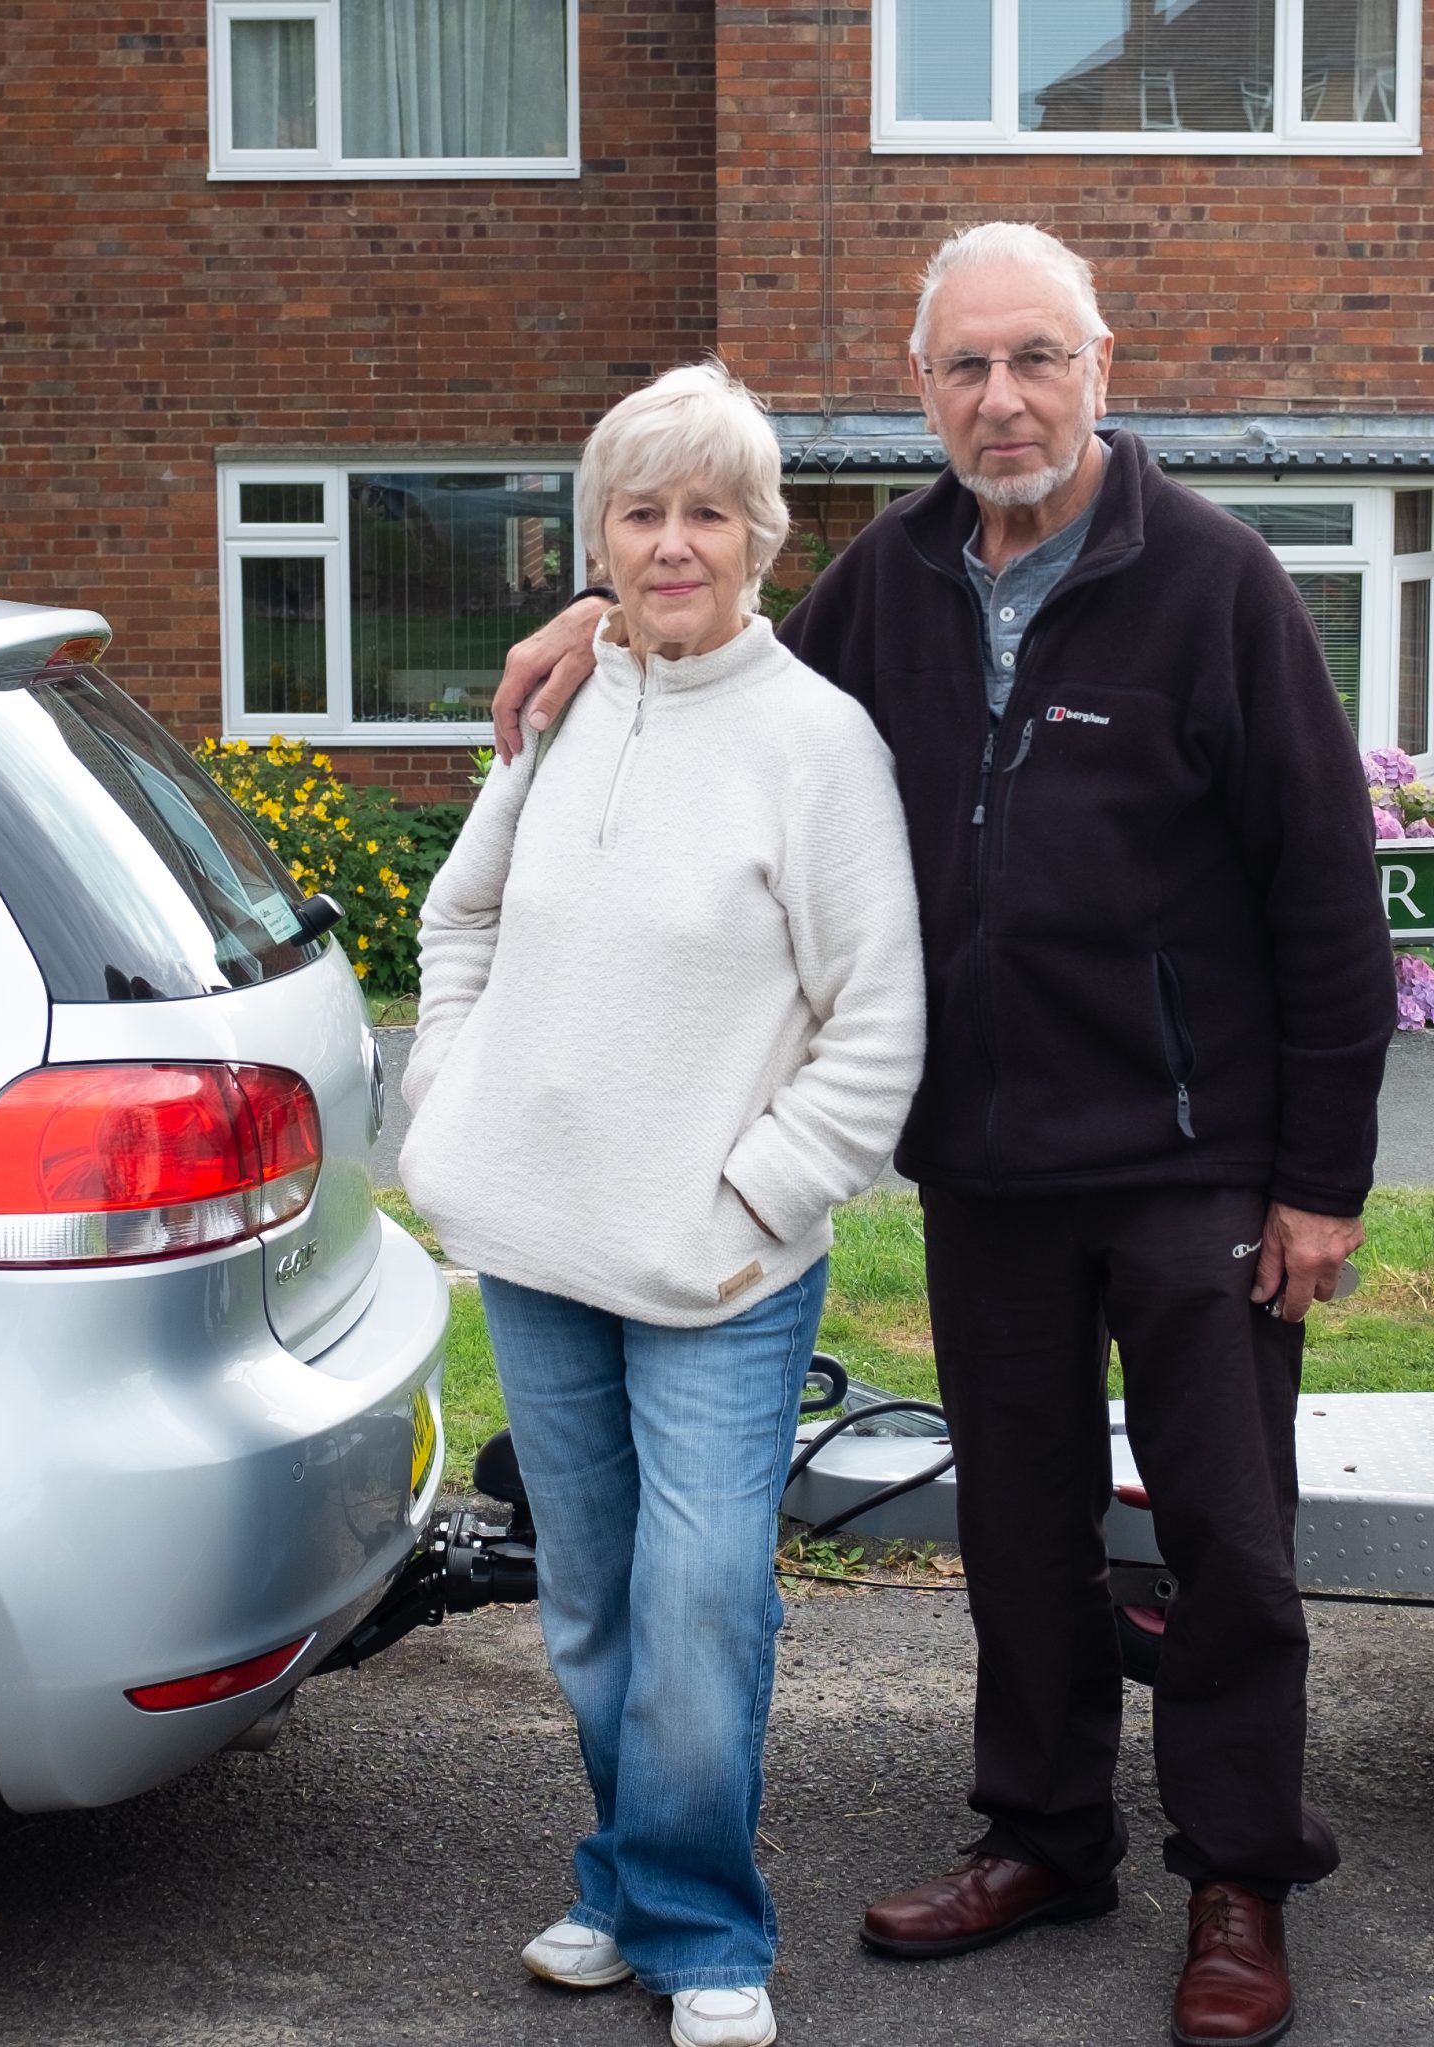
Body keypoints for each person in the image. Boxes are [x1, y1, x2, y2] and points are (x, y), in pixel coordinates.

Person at [486, 223, 1395, 2047]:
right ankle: (1046, 1833)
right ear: (923, 392)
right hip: (981, 1162)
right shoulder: (889, 585)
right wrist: (596, 615)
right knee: (1023, 1525)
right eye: (968, 368)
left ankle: (1236, 1873)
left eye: (1036, 360)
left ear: (1101, 369)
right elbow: (721, 656)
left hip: (1193, 1160)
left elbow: (1324, 901)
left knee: (1224, 1533)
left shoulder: (1215, 586)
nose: (1004, 399)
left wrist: (1320, 1181)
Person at [398, 361, 925, 2047]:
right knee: (597, 1599)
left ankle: (701, 1930)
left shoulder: (815, 743)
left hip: (716, 1271)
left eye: (709, 511)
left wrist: (749, 1201)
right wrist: (447, 1114)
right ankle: (627, 1882)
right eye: (644, 512)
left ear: (762, 535)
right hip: (541, 1246)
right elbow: (457, 923)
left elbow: (877, 1029)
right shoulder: (560, 712)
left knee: (704, 1603)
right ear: (600, 540)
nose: (674, 543)